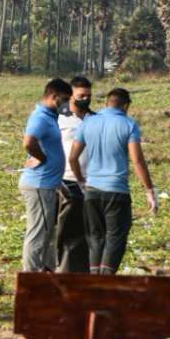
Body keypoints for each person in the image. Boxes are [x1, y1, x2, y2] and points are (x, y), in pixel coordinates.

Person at [69, 87, 157, 275]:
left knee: (95, 238)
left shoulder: (88, 122)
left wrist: (81, 182)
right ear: (125, 105)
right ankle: (106, 281)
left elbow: (73, 157)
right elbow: (137, 160)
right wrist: (150, 191)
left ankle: (94, 281)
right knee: (115, 238)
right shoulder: (128, 124)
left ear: (107, 103)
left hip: (91, 190)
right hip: (116, 192)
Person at [19, 78, 72, 273]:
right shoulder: (40, 117)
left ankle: (47, 270)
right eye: (65, 99)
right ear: (53, 96)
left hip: (49, 184)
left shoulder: (50, 116)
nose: (67, 104)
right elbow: (28, 142)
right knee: (38, 233)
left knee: (48, 232)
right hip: (39, 184)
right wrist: (40, 157)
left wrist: (60, 183)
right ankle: (30, 275)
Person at [55, 76, 92, 273]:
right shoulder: (59, 118)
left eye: (88, 95)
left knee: (85, 232)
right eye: (81, 95)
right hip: (64, 181)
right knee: (63, 230)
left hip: (90, 183)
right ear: (71, 96)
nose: (85, 99)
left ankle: (78, 271)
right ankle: (59, 267)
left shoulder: (94, 119)